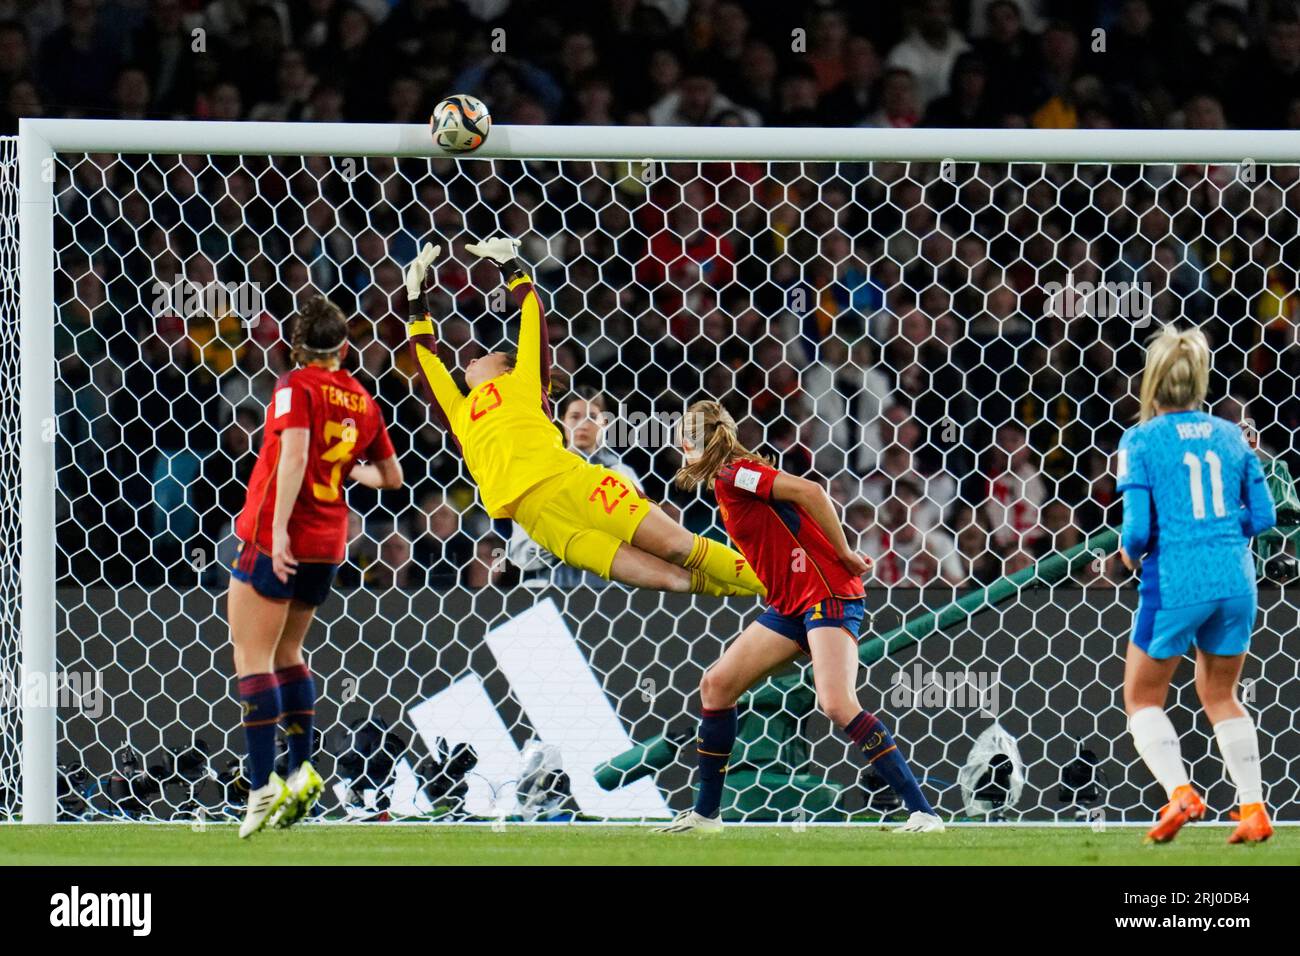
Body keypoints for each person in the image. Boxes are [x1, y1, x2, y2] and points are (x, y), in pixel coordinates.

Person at [404, 238, 765, 598]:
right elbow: (426, 360)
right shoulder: (459, 411)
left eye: (486, 355)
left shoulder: (524, 382)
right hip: (543, 524)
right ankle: (765, 598)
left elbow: (533, 314)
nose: (471, 359)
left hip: (575, 486)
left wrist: (510, 266)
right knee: (667, 579)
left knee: (677, 547)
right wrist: (415, 297)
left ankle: (782, 585)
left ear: (506, 367)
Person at [655, 401, 944, 833]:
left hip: (824, 594)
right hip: (792, 604)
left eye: (683, 437)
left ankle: (923, 812)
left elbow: (811, 492)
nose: (679, 446)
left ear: (692, 441)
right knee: (717, 685)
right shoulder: (726, 479)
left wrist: (844, 553)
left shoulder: (737, 474)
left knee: (836, 703)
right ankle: (706, 816)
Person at [227, 295, 403, 838]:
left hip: (277, 535)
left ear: (295, 348)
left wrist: (278, 530)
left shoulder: (293, 386)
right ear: (345, 348)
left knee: (252, 655)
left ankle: (260, 788)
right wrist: (352, 472)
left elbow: (297, 454)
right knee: (288, 651)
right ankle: (301, 770)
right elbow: (391, 478)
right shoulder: (362, 400)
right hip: (328, 544)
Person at [1116, 326, 1276, 845]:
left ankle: (1180, 792)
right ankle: (1253, 808)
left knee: (1141, 698)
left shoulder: (1139, 440)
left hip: (1177, 581)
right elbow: (1266, 514)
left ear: (1152, 383)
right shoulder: (1232, 435)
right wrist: (1223, 534)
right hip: (1234, 578)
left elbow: (1138, 530)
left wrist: (1130, 552)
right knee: (1221, 694)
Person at [507, 386, 644, 588]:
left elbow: (642, 538)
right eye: (575, 416)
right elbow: (519, 555)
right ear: (562, 421)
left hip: (610, 589)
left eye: (591, 417)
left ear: (605, 423)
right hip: (552, 588)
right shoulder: (540, 476)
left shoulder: (622, 475)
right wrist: (566, 540)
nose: (583, 424)